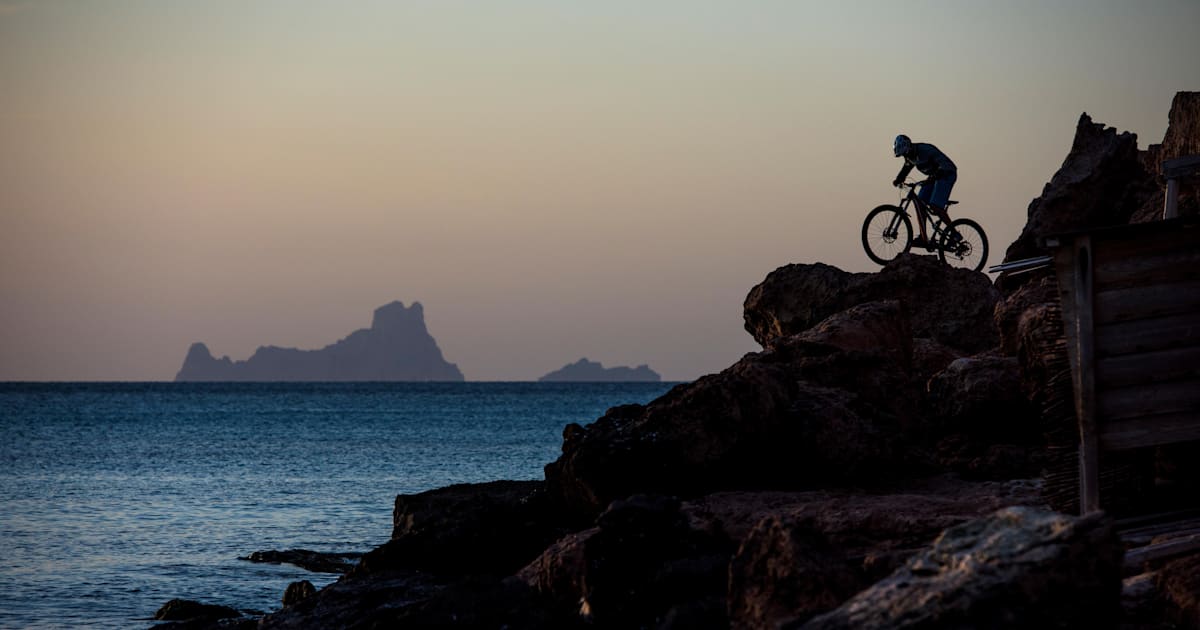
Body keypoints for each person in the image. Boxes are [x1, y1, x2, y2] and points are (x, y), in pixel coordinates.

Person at [892, 134, 958, 249]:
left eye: (905, 154)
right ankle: (924, 238)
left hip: (947, 173)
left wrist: (936, 175)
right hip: (934, 177)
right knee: (920, 203)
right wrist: (898, 180)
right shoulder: (909, 157)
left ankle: (954, 234)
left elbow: (943, 164)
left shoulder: (926, 150)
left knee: (935, 205)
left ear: (908, 148)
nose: (905, 157)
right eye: (903, 155)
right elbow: (905, 169)